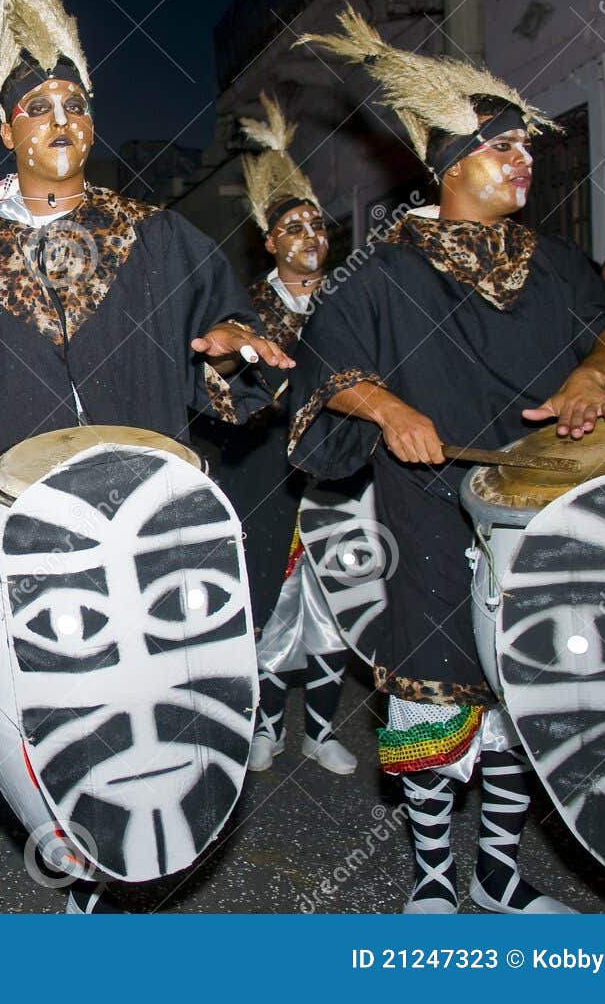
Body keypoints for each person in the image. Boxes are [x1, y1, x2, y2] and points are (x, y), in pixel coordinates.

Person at [0, 0, 291, 914]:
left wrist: (236, 346)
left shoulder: (157, 238)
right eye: (39, 107)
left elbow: (221, 360)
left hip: (128, 532)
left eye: (75, 105)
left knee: (108, 720)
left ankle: (89, 905)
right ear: (5, 126)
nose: (62, 121)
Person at [290, 7, 605, 914]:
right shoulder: (381, 269)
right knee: (436, 695)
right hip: (430, 513)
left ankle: (496, 874)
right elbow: (323, 368)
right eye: (502, 149)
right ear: (451, 168)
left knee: (521, 699)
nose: (523, 161)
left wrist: (591, 378)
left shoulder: (559, 263)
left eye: (525, 148)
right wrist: (386, 405)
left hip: (543, 518)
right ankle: (430, 880)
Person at [203, 93, 356, 776]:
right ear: (269, 240)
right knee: (268, 599)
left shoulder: (351, 304)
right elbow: (224, 390)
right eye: (293, 226)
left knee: (338, 600)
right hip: (265, 476)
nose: (310, 237)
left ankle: (321, 727)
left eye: (319, 226)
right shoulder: (244, 309)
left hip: (344, 476)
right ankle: (263, 722)